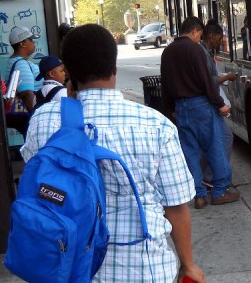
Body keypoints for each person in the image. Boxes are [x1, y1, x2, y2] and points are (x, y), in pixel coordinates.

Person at [22, 24, 205, 283]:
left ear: (69, 74)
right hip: (143, 269)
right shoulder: (155, 125)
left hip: (68, 269)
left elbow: (38, 185)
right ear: (115, 69)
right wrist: (188, 265)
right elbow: (175, 206)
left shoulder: (43, 120)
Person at [161, 16, 239, 209]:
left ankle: (199, 196)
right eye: (199, 34)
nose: (199, 38)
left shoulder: (168, 52)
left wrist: (170, 109)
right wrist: (220, 103)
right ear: (195, 31)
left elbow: (166, 84)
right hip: (201, 105)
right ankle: (220, 191)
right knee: (215, 147)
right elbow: (206, 81)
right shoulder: (195, 49)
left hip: (180, 108)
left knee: (191, 153)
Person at [199, 21, 238, 189]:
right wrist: (226, 78)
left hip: (205, 103)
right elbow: (207, 82)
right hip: (207, 103)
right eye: (219, 37)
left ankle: (208, 178)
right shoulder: (202, 53)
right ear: (211, 35)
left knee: (211, 141)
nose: (220, 41)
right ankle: (214, 180)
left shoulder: (205, 51)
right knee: (224, 138)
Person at [4, 25, 41, 137]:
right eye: (31, 40)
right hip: (31, 115)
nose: (34, 43)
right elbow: (26, 94)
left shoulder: (17, 61)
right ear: (22, 43)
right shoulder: (21, 64)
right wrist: (37, 119)